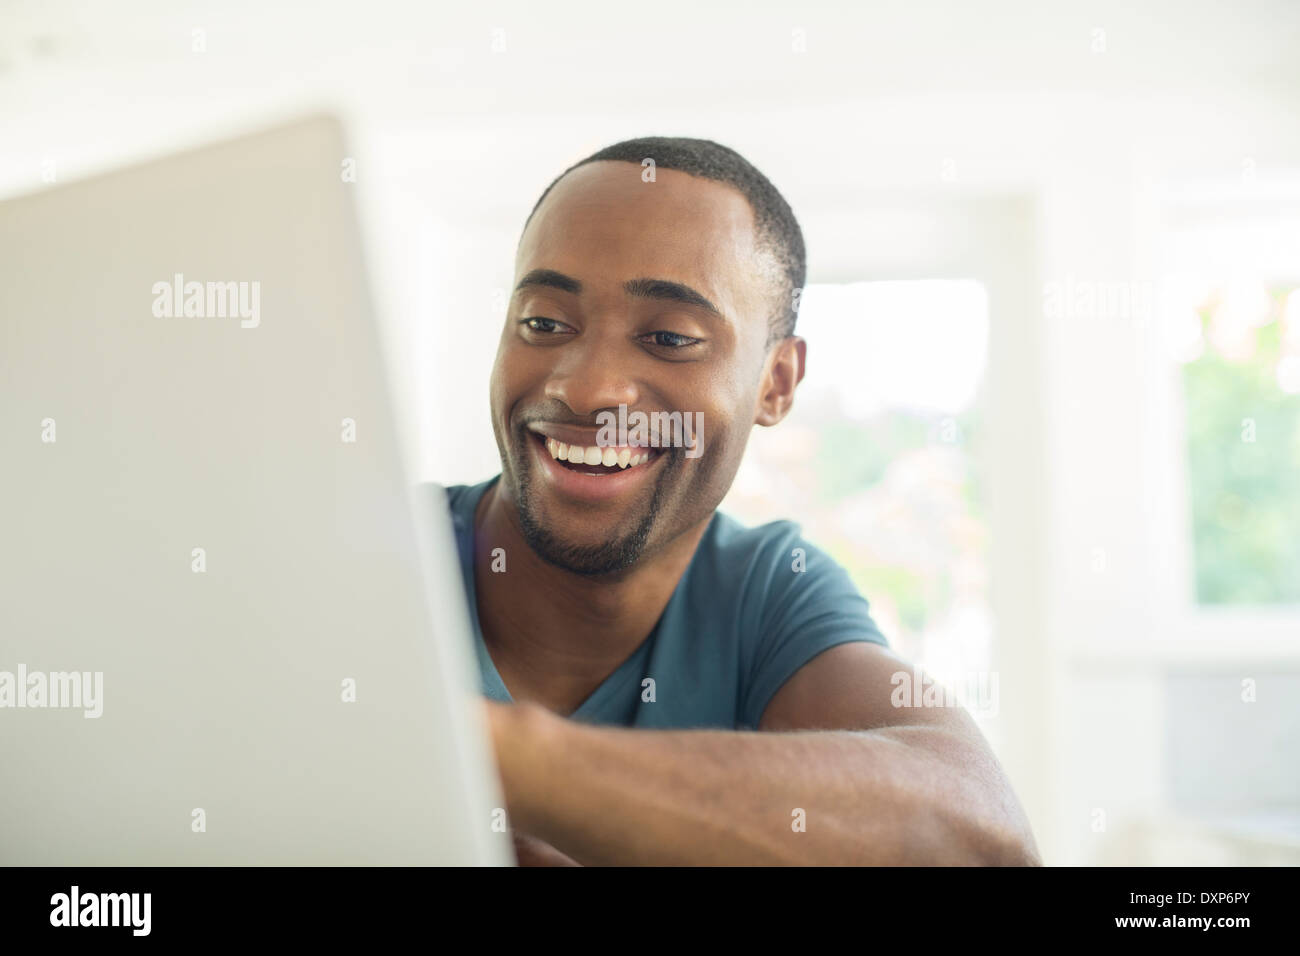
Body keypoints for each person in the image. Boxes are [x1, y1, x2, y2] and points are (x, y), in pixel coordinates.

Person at [437, 137, 1040, 865]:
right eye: (543, 323)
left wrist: (497, 760)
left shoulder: (766, 592)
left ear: (776, 383)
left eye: (668, 337)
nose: (588, 389)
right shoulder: (372, 554)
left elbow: (982, 838)